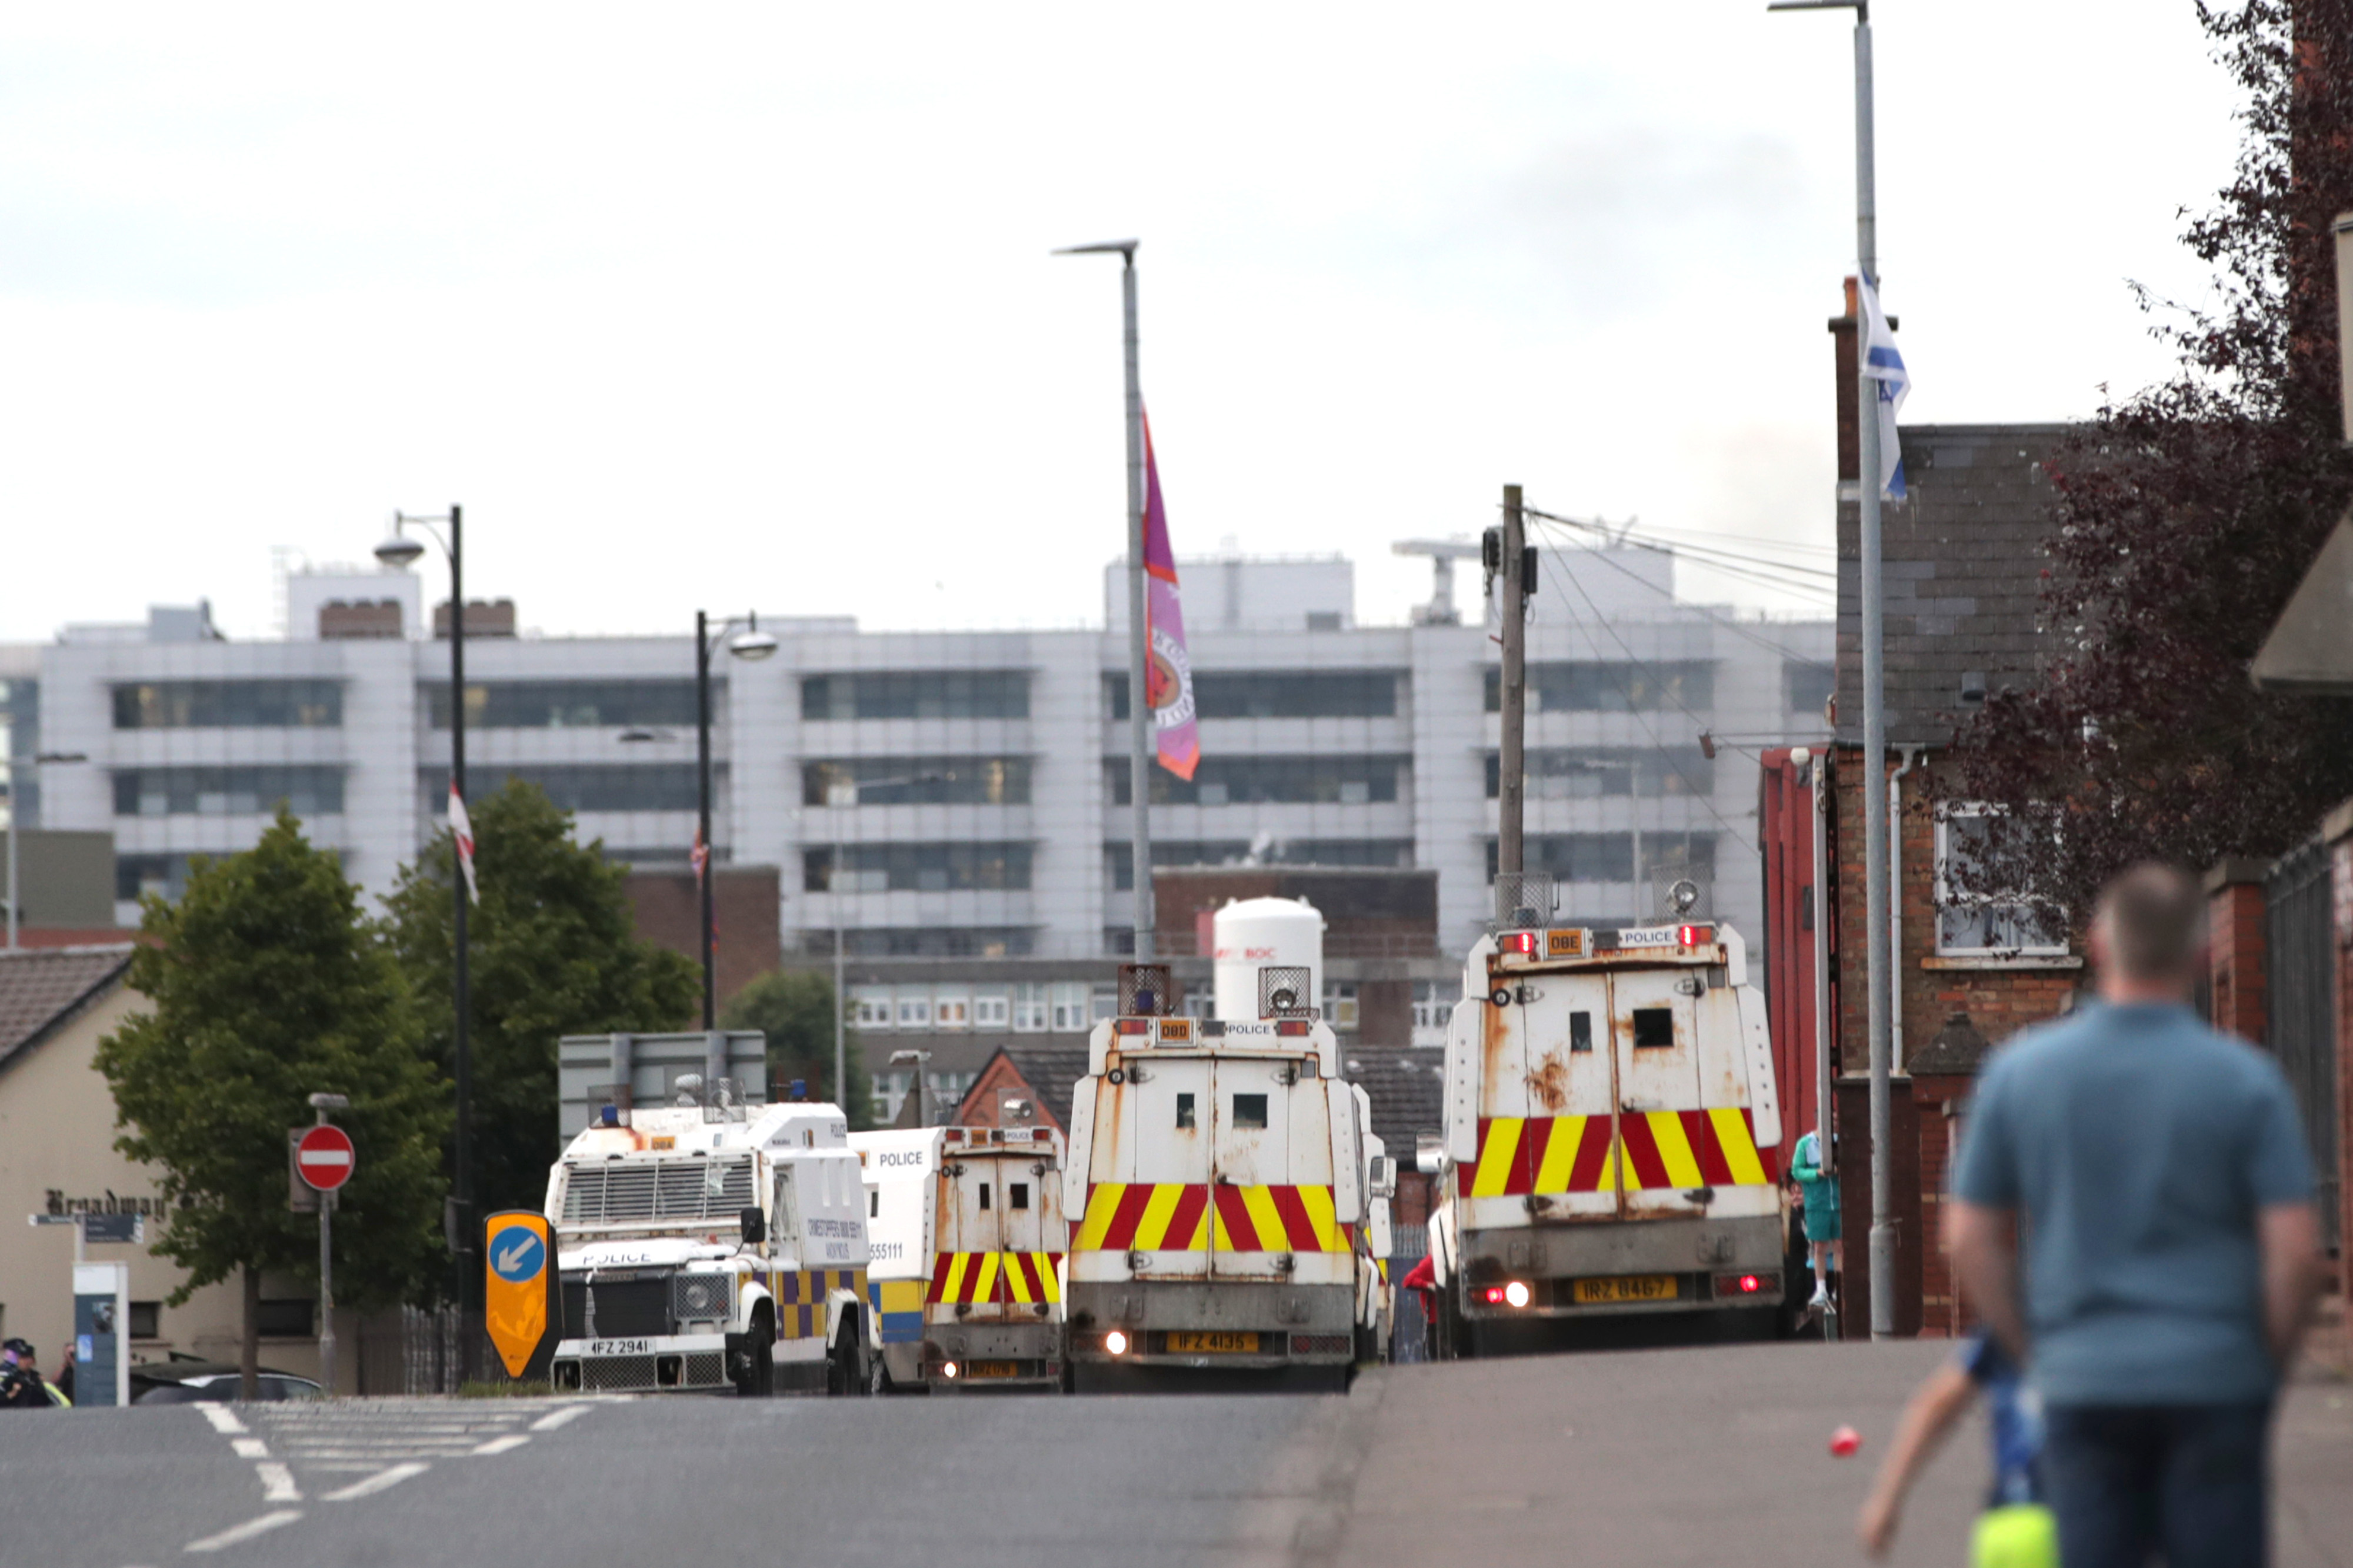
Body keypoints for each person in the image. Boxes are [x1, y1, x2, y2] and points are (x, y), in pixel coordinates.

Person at [1950, 863, 2326, 1568]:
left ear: (2097, 945)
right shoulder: (2248, 1082)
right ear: (2204, 955)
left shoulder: (2019, 1073)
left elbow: (1968, 1239)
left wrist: (2033, 1351)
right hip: (2214, 1379)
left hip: (2083, 1382)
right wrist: (2260, 1362)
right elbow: (2296, 1254)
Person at [1859, 1327, 2052, 1566]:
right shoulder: (2104, 1334)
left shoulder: (2011, 1324)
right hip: (2080, 1518)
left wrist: (1887, 1497)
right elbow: (1939, 1403)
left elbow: (1939, 1402)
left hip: (2013, 1523)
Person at [1787, 1127, 1841, 1313]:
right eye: (1832, 1120)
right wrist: (1817, 1173)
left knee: (1839, 1246)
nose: (1834, 1124)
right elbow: (1797, 1171)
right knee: (1819, 1246)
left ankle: (1838, 1289)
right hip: (1817, 1203)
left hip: (1838, 1202)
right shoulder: (1805, 1144)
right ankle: (1821, 1289)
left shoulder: (1839, 1141)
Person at [0, 1340, 66, 1409]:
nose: (24, 1362)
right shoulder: (12, 1378)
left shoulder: (37, 1377)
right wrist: (12, 1394)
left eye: (27, 1359)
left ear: (33, 1361)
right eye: (21, 1358)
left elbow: (45, 1399)